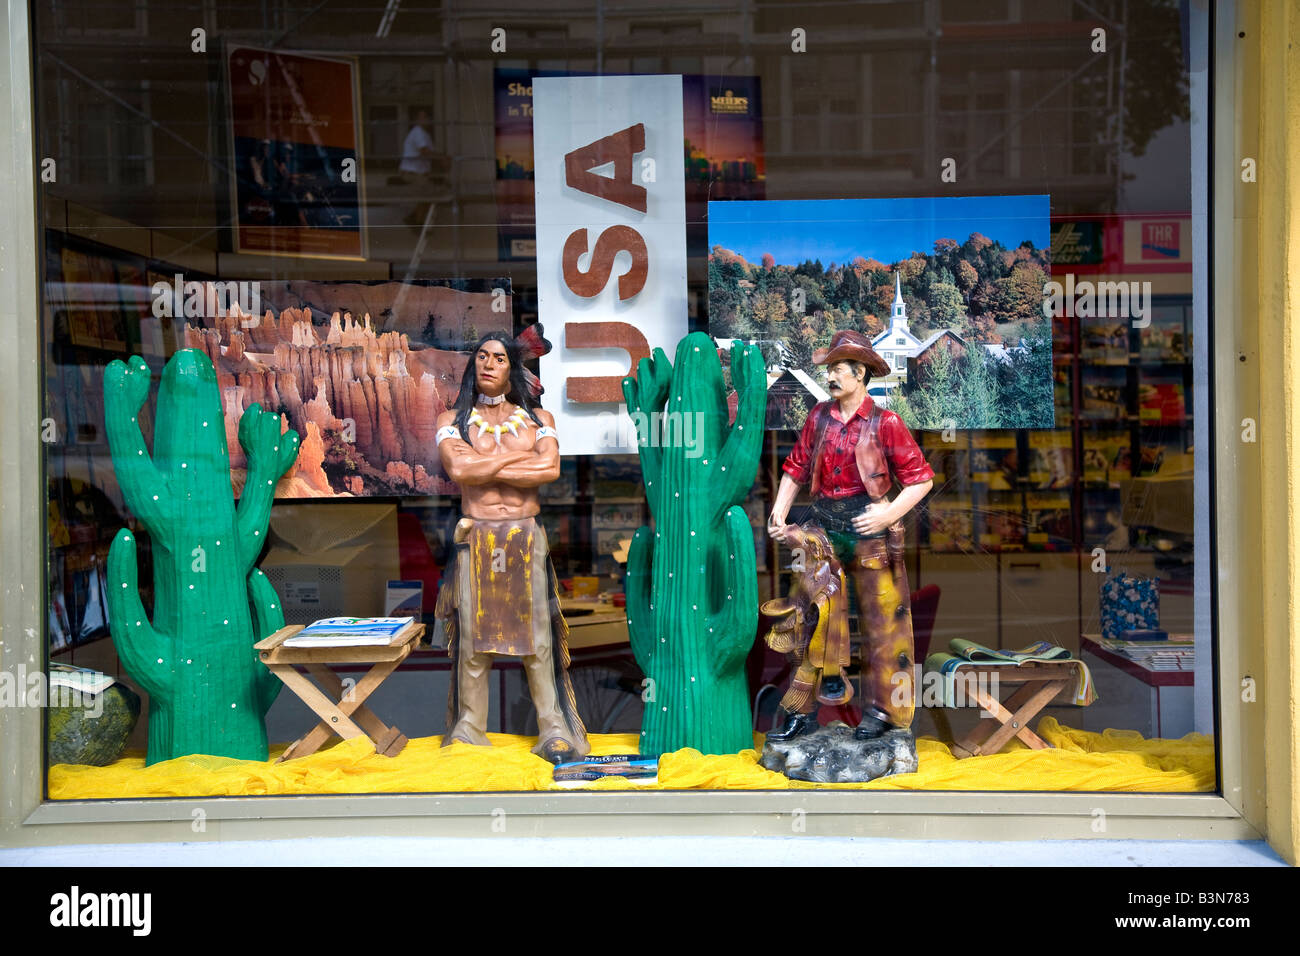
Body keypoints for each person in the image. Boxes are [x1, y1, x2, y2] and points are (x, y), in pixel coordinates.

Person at [766, 330, 934, 742]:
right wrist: (780, 510)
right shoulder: (818, 417)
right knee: (809, 620)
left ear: (860, 374)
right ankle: (802, 712)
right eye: (830, 370)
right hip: (824, 529)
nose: (831, 378)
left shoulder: (886, 422)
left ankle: (885, 714)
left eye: (838, 370)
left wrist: (889, 513)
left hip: (870, 531)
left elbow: (921, 479)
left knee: (883, 625)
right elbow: (796, 466)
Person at [434, 333, 589, 765]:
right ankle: (469, 727)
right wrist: (516, 461)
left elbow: (551, 467)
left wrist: (485, 465)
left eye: (498, 358)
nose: (488, 364)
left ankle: (553, 728)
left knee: (537, 635)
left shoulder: (540, 418)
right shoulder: (452, 418)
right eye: (481, 355)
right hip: (477, 535)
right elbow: (458, 467)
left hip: (523, 535)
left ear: (511, 368)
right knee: (472, 639)